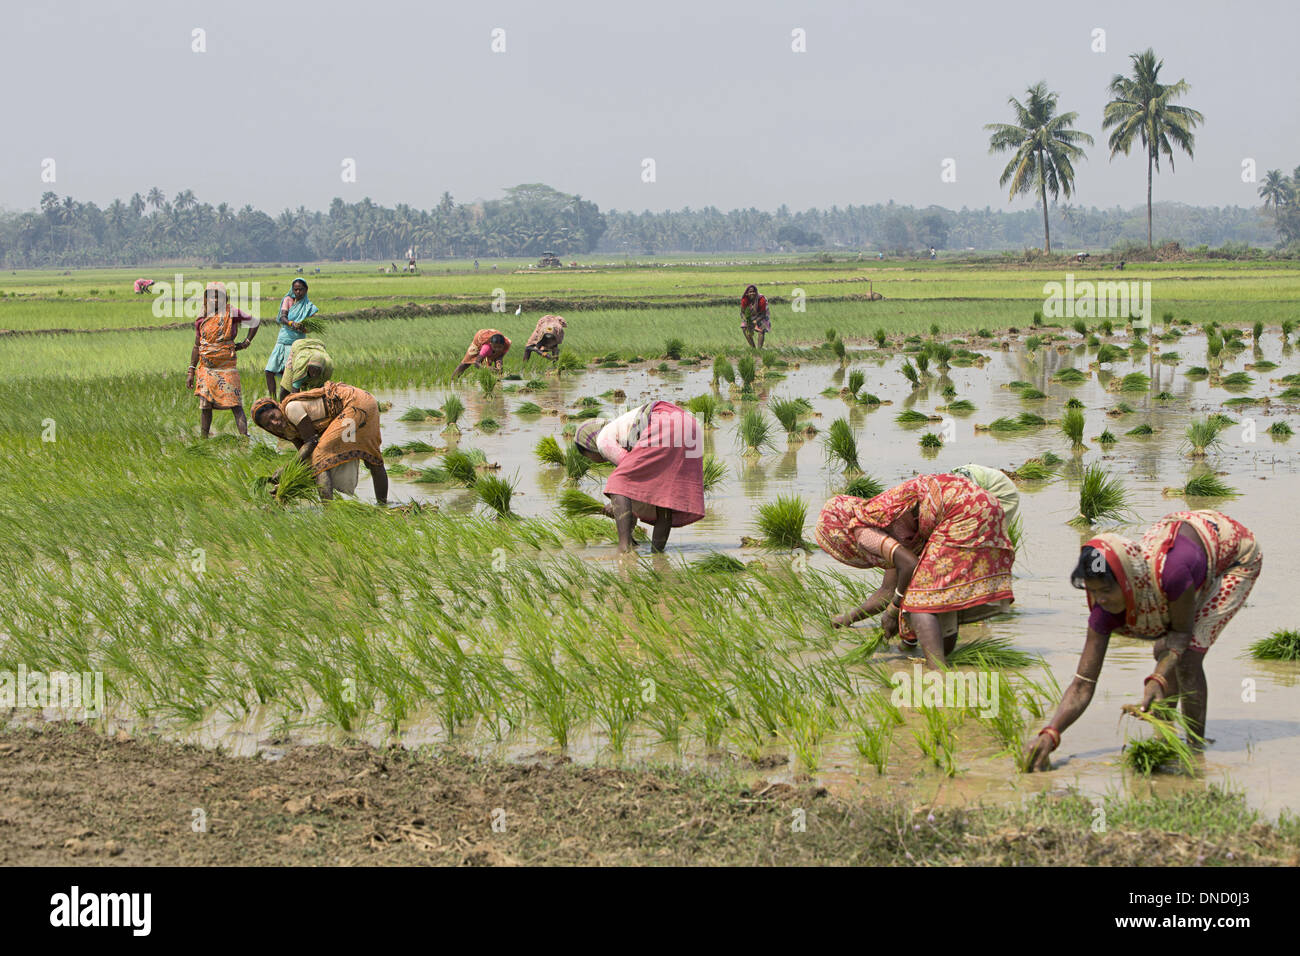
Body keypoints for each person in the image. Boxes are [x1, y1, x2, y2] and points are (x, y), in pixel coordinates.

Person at [1025, 510, 1262, 772]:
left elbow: (1181, 634)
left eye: (1106, 590)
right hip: (1185, 549)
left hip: (1235, 557)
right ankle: (1166, 730)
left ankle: (1195, 748)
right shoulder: (1104, 610)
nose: (1100, 599)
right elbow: (1083, 684)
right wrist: (1050, 732)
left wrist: (1158, 677)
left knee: (1189, 657)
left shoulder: (1172, 575)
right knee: (1164, 648)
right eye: (1092, 590)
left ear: (1127, 581)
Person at [815, 474, 1016, 667]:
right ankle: (942, 659)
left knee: (919, 602)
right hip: (986, 504)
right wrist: (847, 619)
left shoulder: (862, 531)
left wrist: (894, 611)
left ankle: (937, 672)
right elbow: (888, 590)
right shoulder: (886, 518)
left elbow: (909, 565)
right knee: (936, 595)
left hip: (962, 511)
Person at [574, 401, 706, 553]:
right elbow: (639, 484)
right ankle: (658, 554)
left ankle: (624, 548)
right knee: (663, 495)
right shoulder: (624, 432)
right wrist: (627, 509)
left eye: (589, 457)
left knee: (618, 483)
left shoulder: (602, 440)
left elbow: (627, 485)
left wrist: (617, 507)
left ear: (589, 445)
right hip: (688, 424)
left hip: (664, 422)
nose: (593, 461)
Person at [250, 382, 388, 504]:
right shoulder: (288, 430)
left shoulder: (291, 409)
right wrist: (285, 483)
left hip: (356, 403)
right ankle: (382, 506)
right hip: (362, 402)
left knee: (320, 458)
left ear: (277, 407)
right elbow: (305, 457)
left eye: (273, 416)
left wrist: (286, 469)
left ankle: (329, 513)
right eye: (268, 424)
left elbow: (311, 442)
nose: (274, 423)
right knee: (372, 458)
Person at [187, 281, 259, 438]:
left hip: (227, 367)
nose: (215, 300)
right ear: (206, 299)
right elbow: (196, 346)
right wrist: (191, 370)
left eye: (218, 297)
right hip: (207, 368)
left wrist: (246, 342)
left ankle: (244, 437)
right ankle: (203, 438)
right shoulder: (202, 319)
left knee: (235, 403)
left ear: (225, 298)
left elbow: (254, 321)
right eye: (211, 297)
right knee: (205, 405)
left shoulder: (231, 312)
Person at [264, 278, 318, 396]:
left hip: (296, 343)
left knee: (288, 374)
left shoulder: (309, 307)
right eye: (295, 289)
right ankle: (273, 400)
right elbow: (283, 317)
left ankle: (287, 401)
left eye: (301, 290)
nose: (298, 292)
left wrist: (303, 328)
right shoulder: (288, 300)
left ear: (306, 290)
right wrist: (291, 323)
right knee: (269, 371)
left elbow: (311, 327)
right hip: (282, 340)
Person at [951, 463, 1020, 527]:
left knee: (988, 527)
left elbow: (971, 504)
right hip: (988, 484)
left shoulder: (965, 483)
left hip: (1005, 493)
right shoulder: (951, 483)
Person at [739, 284, 770, 349]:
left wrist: (755, 321)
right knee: (744, 328)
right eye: (750, 292)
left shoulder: (761, 300)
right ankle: (753, 348)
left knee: (761, 330)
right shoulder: (745, 299)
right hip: (750, 315)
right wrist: (746, 320)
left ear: (756, 292)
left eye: (754, 291)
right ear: (747, 293)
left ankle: (759, 350)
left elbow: (763, 314)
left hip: (761, 315)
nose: (752, 293)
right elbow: (742, 312)